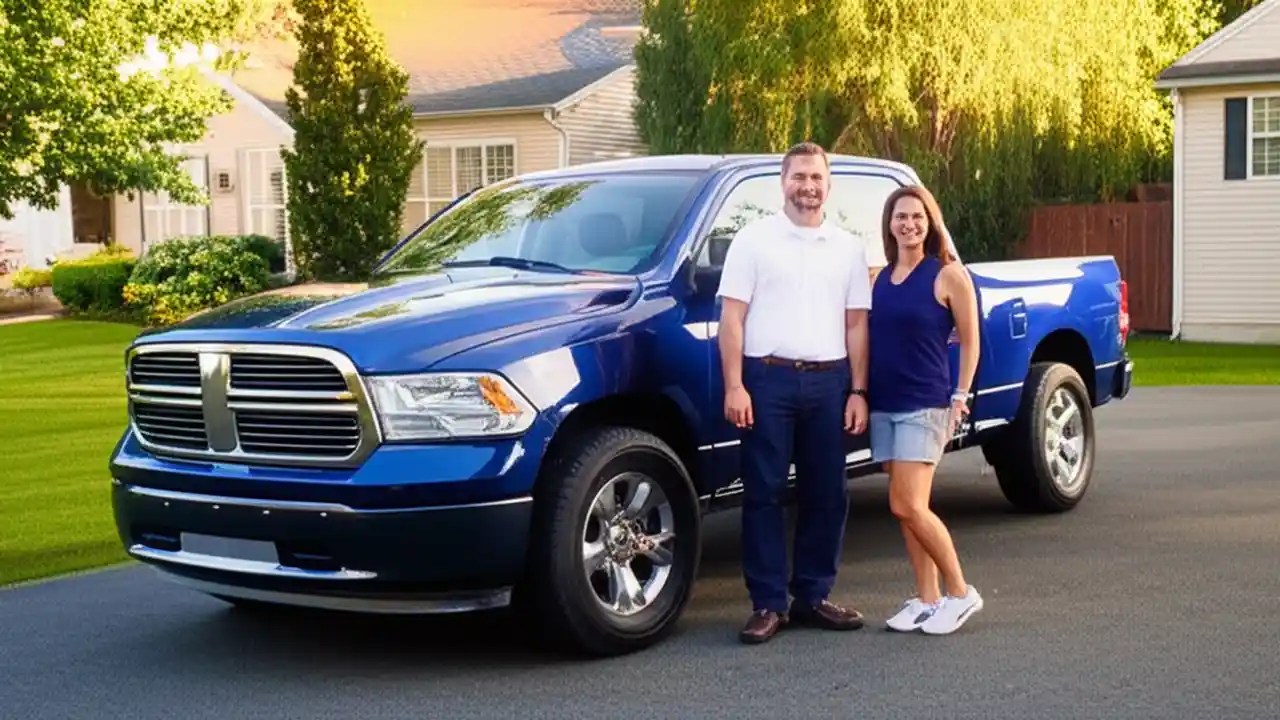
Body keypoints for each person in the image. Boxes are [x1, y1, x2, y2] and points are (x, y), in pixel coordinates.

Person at [716, 142, 872, 645]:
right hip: (767, 382)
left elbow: (856, 326)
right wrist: (735, 385)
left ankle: (813, 596)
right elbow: (732, 320)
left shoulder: (848, 247)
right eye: (798, 176)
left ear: (829, 186)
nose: (807, 186)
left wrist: (858, 391)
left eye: (816, 178)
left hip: (830, 384)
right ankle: (767, 604)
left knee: (828, 492)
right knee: (762, 493)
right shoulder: (753, 240)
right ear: (782, 182)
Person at [867, 184, 984, 635]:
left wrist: (961, 395)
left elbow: (971, 340)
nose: (909, 224)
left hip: (926, 403)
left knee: (909, 504)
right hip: (885, 403)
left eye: (917, 216)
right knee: (903, 509)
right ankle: (927, 598)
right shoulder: (881, 278)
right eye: (900, 216)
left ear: (930, 223)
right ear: (889, 224)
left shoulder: (948, 275)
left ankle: (960, 592)